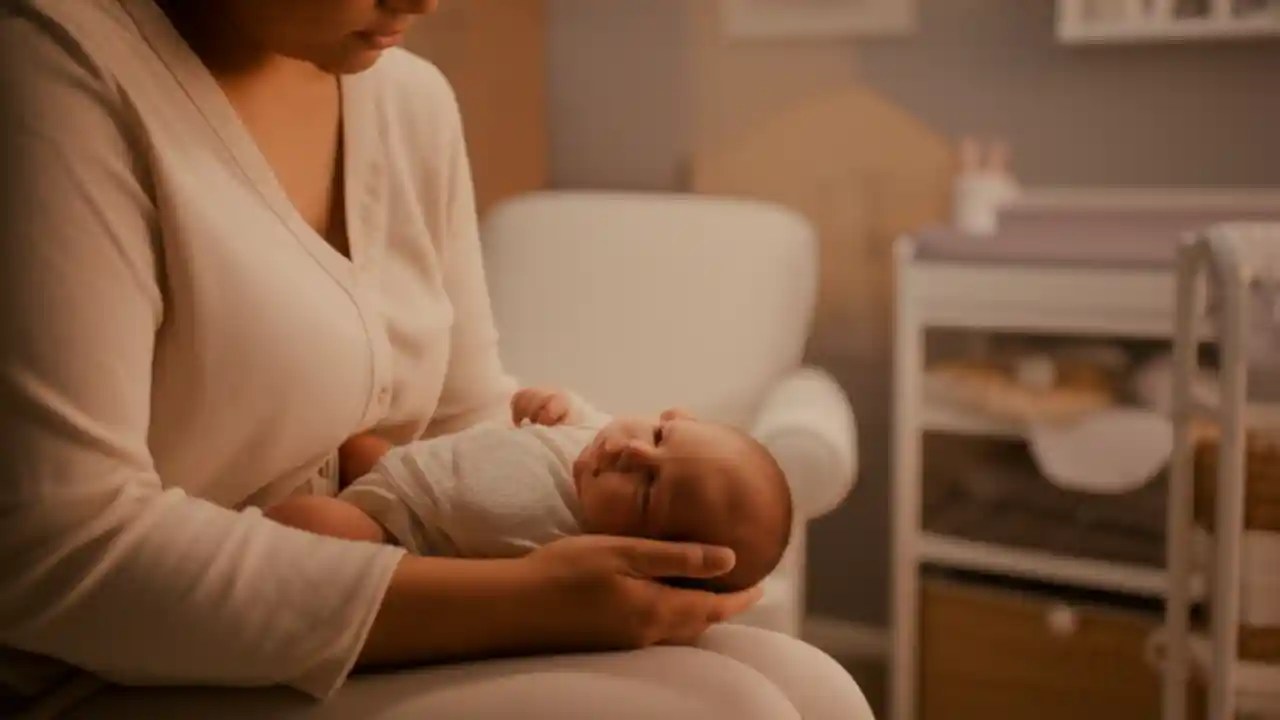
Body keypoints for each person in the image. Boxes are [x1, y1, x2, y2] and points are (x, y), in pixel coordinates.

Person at [0, 0, 874, 717]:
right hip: (113, 666)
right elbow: (58, 552)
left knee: (816, 691)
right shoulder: (58, 69)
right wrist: (529, 603)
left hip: (383, 601)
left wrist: (607, 523)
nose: (423, 3)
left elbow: (463, 416)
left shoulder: (409, 99)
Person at [268, 389, 794, 594]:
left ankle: (232, 540)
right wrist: (544, 408)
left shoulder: (581, 549)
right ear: (675, 416)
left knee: (315, 527)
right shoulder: (600, 432)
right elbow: (546, 415)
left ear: (653, 556)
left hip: (405, 532)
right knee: (350, 442)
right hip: (406, 465)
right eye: (659, 436)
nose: (631, 454)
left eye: (647, 490)